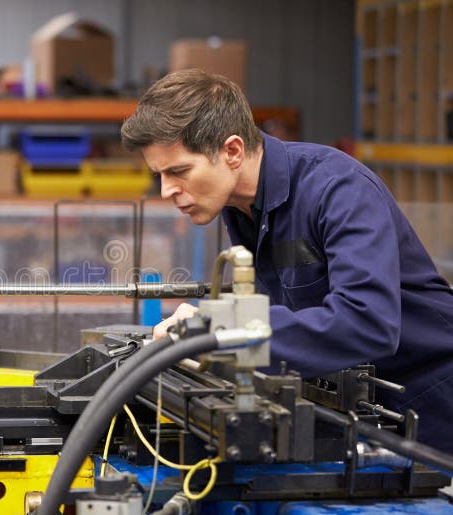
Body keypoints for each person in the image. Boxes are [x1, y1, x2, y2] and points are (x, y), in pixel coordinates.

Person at [120, 69, 453, 453]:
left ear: (232, 151)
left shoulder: (337, 188)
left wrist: (220, 333)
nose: (166, 190)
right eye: (159, 175)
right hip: (363, 414)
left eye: (178, 171)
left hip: (434, 410)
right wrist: (208, 330)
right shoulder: (241, 207)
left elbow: (369, 322)